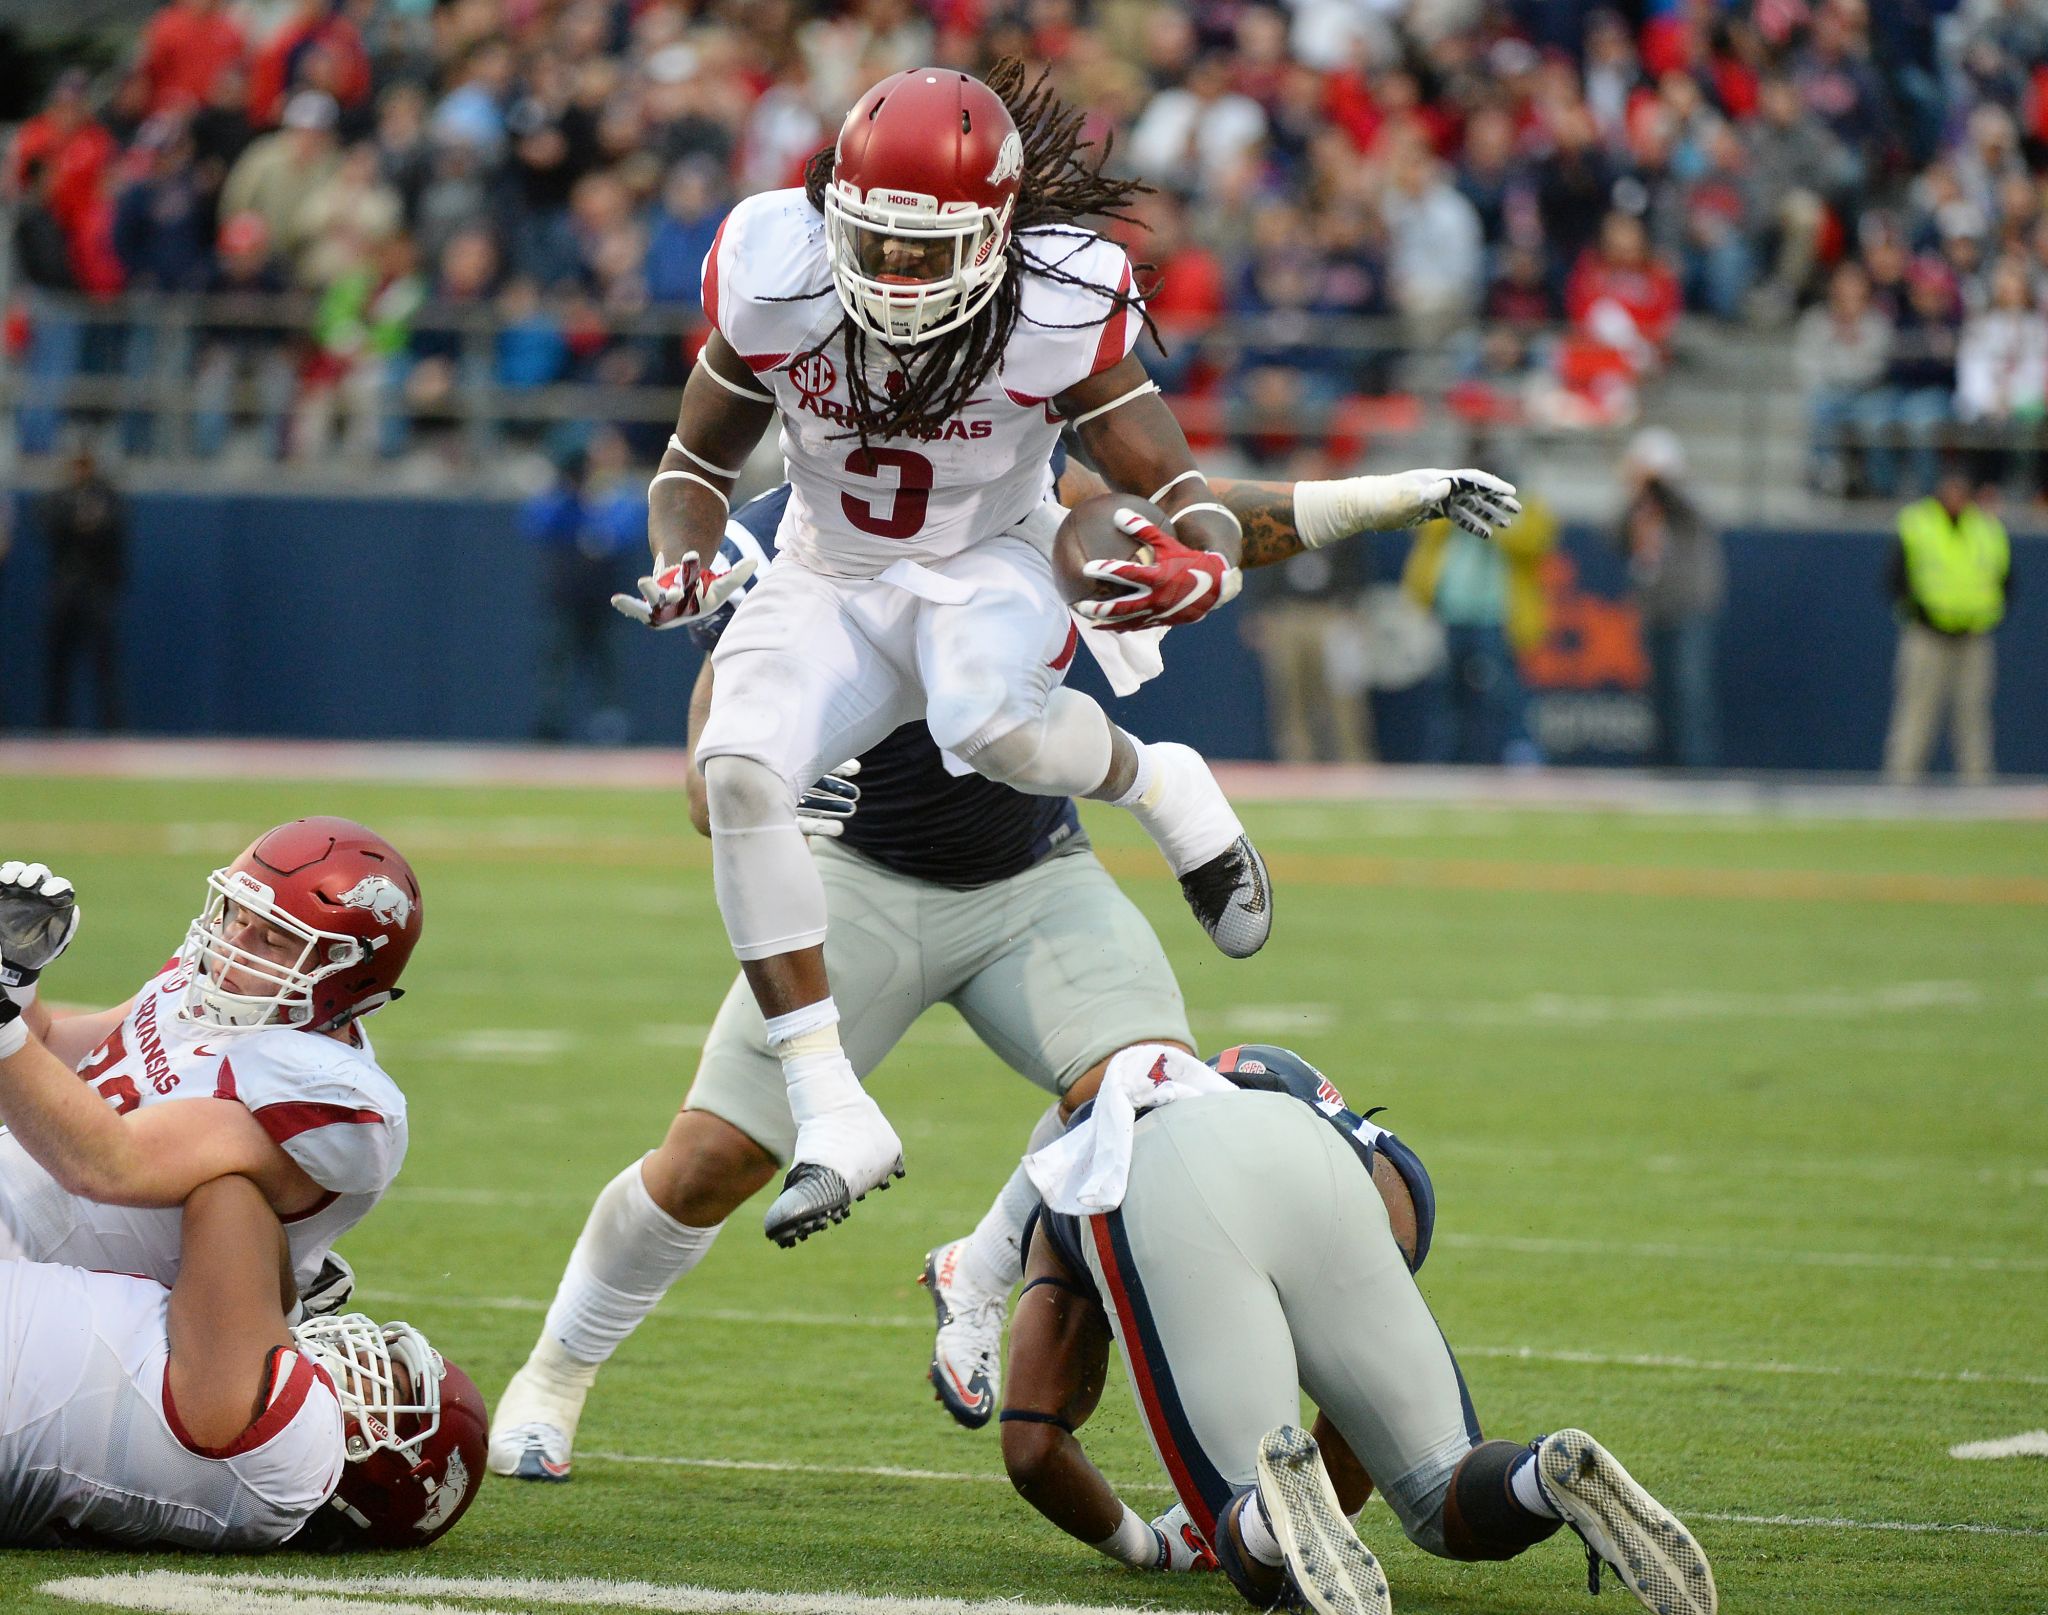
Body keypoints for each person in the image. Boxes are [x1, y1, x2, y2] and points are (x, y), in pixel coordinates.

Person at [608, 61, 1520, 1247]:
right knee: (742, 777)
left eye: (919, 252)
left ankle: (1158, 784)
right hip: (860, 820)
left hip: (1015, 810)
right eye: (869, 244)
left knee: (987, 730)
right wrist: (713, 631)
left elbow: (1188, 493)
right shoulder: (778, 464)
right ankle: (832, 1108)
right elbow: (693, 518)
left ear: (993, 237)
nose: (887, 277)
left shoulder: (1046, 346)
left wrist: (1311, 520)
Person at [489, 456, 1519, 1481]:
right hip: (861, 883)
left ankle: (977, 1268)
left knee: (1148, 1105)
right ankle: (556, 1370)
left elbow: (1198, 517)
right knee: (711, 1157)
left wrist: (1384, 498)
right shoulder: (778, 540)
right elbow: (709, 777)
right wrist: (764, 784)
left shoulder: (1009, 469)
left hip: (1032, 876)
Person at [1000, 1041, 1716, 1615]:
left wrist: (1148, 1547)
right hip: (1321, 1162)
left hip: (1160, 1183)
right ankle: (1544, 1477)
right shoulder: (1263, 1069)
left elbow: (1033, 1445)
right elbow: (1401, 1196)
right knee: (1442, 1490)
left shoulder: (1076, 1167)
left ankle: (1262, 1517)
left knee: (1246, 1514)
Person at [0, 1010, 482, 1548]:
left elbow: (227, 1197)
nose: (366, 1348)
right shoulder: (238, 1510)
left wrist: (283, 1289)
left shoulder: (292, 1467)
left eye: (388, 1381)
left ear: (385, 1472)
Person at [0, 818, 419, 1306]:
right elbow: (48, 1055)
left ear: (344, 974)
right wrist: (15, 979)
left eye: (273, 941)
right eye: (238, 917)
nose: (233, 948)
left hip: (76, 1301)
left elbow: (108, 1166)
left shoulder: (322, 1087)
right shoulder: (212, 985)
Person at [1882, 467, 2011, 783]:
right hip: (1927, 635)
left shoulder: (1987, 527)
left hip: (1973, 634)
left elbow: (2005, 580)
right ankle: (1902, 783)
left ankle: (1977, 785)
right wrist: (1918, 613)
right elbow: (1895, 578)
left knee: (1973, 716)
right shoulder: (1918, 523)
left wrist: (1985, 613)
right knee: (1917, 712)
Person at [1615, 429, 1723, 770]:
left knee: (1687, 694)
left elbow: (1683, 506)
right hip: (1655, 610)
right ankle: (1664, 769)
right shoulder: (1641, 511)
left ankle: (1694, 769)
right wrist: (1637, 495)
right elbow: (1613, 534)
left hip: (1686, 608)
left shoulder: (1686, 504)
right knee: (1659, 696)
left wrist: (1656, 482)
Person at [35, 444, 129, 732]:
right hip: (65, 590)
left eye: (86, 464)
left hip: (96, 591)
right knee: (58, 664)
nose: (81, 470)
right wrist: (77, 517)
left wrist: (94, 519)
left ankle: (112, 728)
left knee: (104, 664)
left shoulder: (107, 497)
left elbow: (116, 530)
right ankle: (55, 728)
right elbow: (45, 521)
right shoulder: (61, 497)